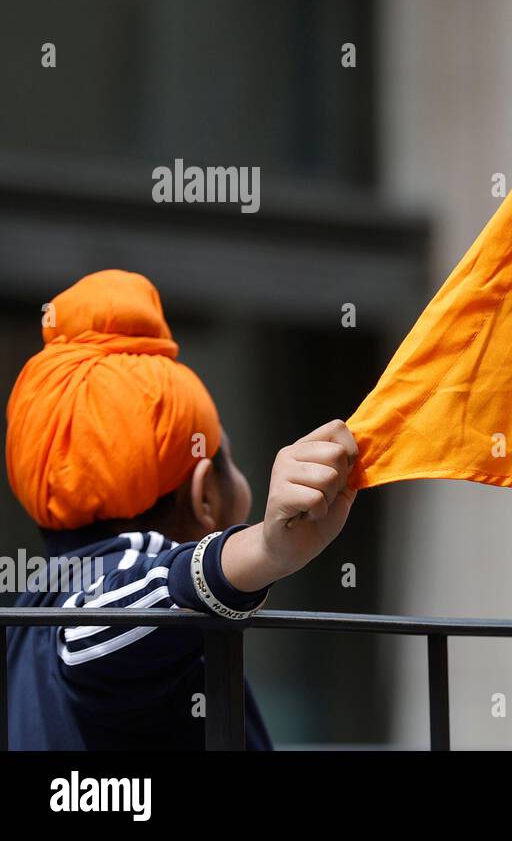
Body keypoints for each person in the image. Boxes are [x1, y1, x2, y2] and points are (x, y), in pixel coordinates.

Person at [4, 269, 357, 749]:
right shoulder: (107, 590)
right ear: (204, 496)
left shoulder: (31, 607)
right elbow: (97, 630)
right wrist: (261, 550)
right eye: (229, 461)